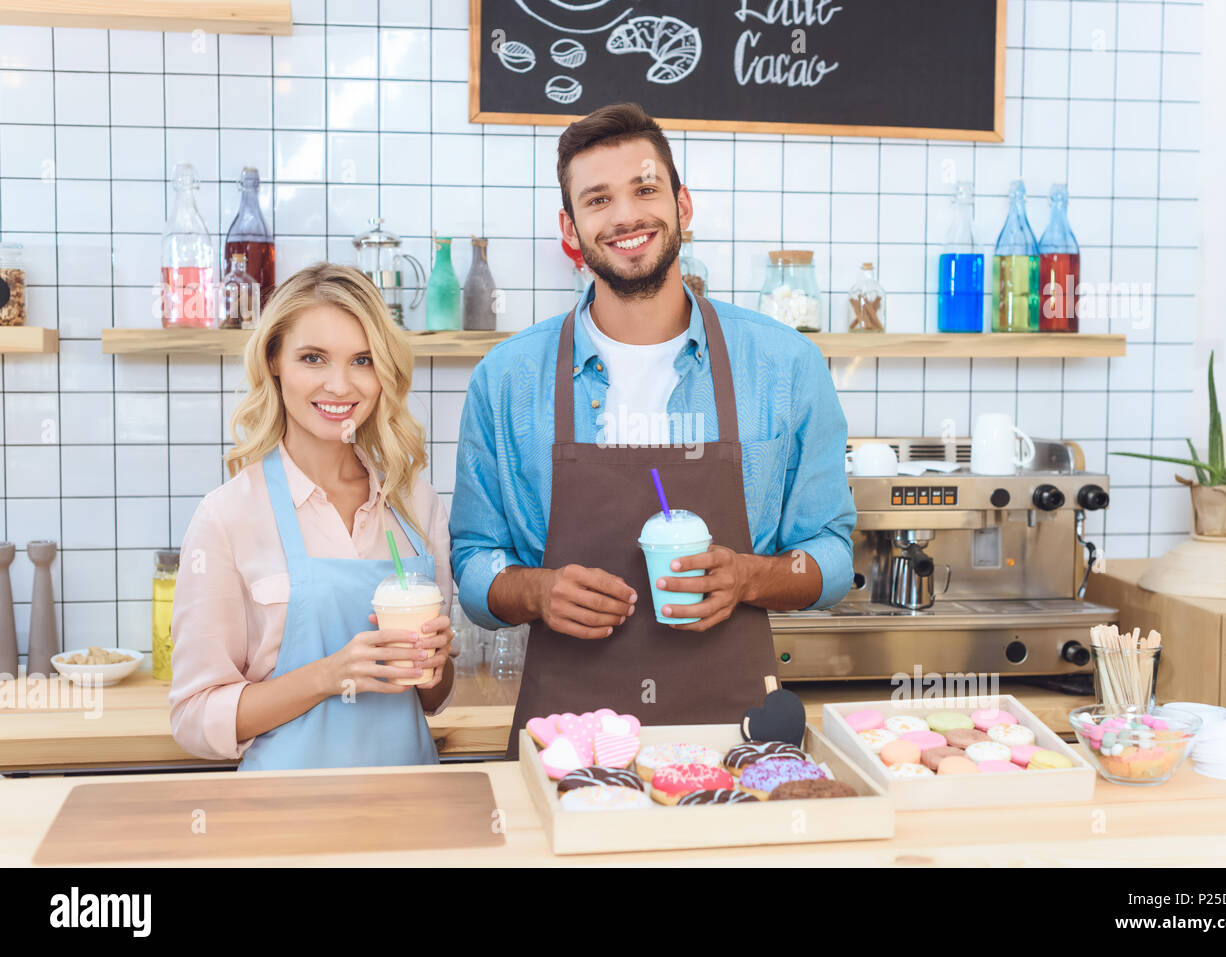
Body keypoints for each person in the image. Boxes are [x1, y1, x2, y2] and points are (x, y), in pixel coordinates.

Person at [451, 103, 855, 757]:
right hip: (566, 747)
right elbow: (473, 561)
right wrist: (536, 589)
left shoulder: (785, 366)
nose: (626, 216)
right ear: (570, 227)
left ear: (683, 204)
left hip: (738, 742)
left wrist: (749, 577)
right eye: (598, 198)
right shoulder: (507, 379)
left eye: (645, 189)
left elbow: (831, 555)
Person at [169, 263, 454, 770]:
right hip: (285, 823)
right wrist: (330, 675)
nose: (340, 386)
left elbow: (429, 698)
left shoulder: (416, 503)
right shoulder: (227, 517)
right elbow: (193, 717)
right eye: (313, 358)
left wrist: (436, 668)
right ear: (275, 361)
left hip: (410, 811)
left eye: (362, 360)